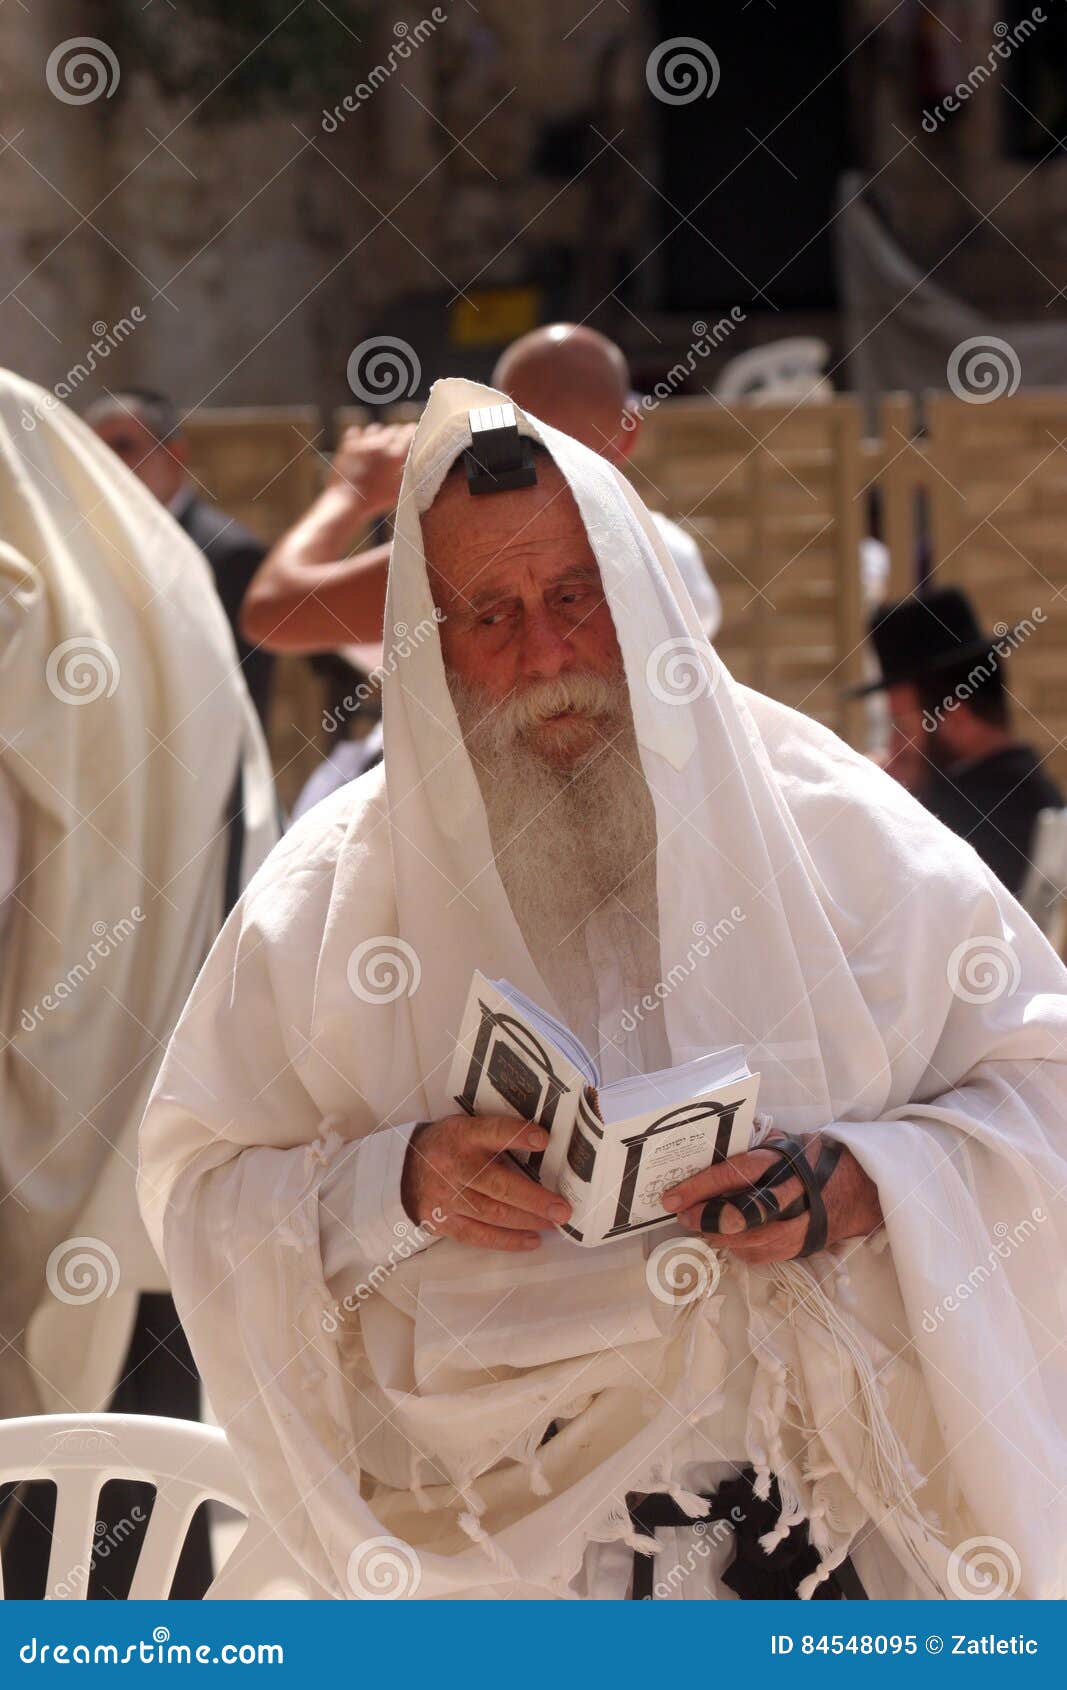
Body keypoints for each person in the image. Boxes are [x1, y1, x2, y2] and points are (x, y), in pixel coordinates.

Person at [140, 380, 1067, 1602]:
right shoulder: (331, 894)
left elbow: (1039, 1092)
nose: (543, 654)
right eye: (488, 613)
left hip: (836, 1524)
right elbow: (197, 1183)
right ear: (425, 634)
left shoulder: (830, 828)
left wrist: (850, 1187)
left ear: (632, 595)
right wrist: (394, 1182)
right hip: (490, 1561)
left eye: (574, 597)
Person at [0, 368, 278, 1594]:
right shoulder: (154, 600)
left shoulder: (33, 629)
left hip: (65, 1136)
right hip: (166, 1131)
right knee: (131, 1528)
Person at [242, 326, 720, 816]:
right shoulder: (672, 553)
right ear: (631, 429)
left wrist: (349, 495)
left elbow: (272, 611)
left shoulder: (465, 559)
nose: (546, 656)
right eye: (496, 617)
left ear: (488, 422)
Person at [854, 587, 1063, 896]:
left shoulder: (969, 816)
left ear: (954, 715)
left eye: (900, 726)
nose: (893, 747)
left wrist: (876, 798)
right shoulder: (1025, 789)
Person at [85, 389, 275, 728]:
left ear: (174, 455)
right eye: (94, 451)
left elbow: (243, 695)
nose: (107, 463)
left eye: (123, 447)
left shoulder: (229, 552)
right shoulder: (90, 548)